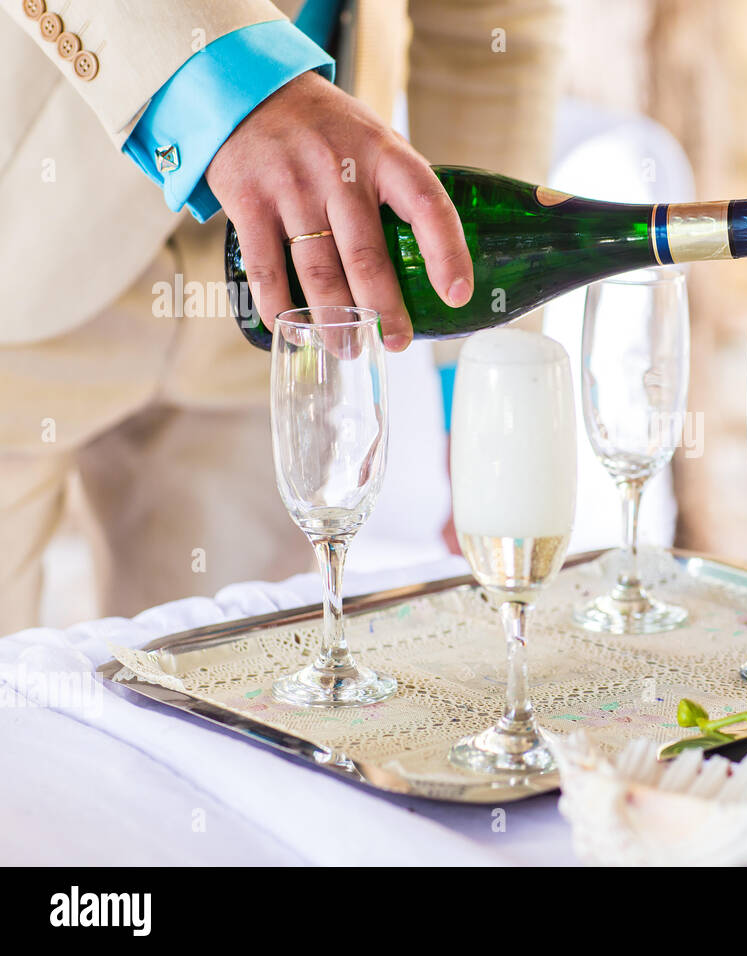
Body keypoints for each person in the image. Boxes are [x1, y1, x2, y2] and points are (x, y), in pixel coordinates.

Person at [0, 0, 562, 635]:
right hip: (19, 229)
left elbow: (484, 33)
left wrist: (483, 389)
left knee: (227, 707)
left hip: (278, 309)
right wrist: (236, 86)